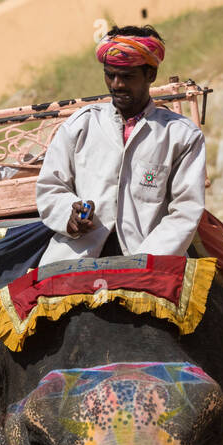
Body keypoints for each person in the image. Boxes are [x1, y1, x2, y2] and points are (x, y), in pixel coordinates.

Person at [34, 24, 206, 267]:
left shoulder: (181, 136)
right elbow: (51, 188)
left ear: (150, 75)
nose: (116, 85)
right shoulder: (80, 126)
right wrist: (69, 216)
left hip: (152, 258)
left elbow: (185, 210)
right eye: (110, 75)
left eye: (127, 77)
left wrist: (143, 262)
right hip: (76, 257)